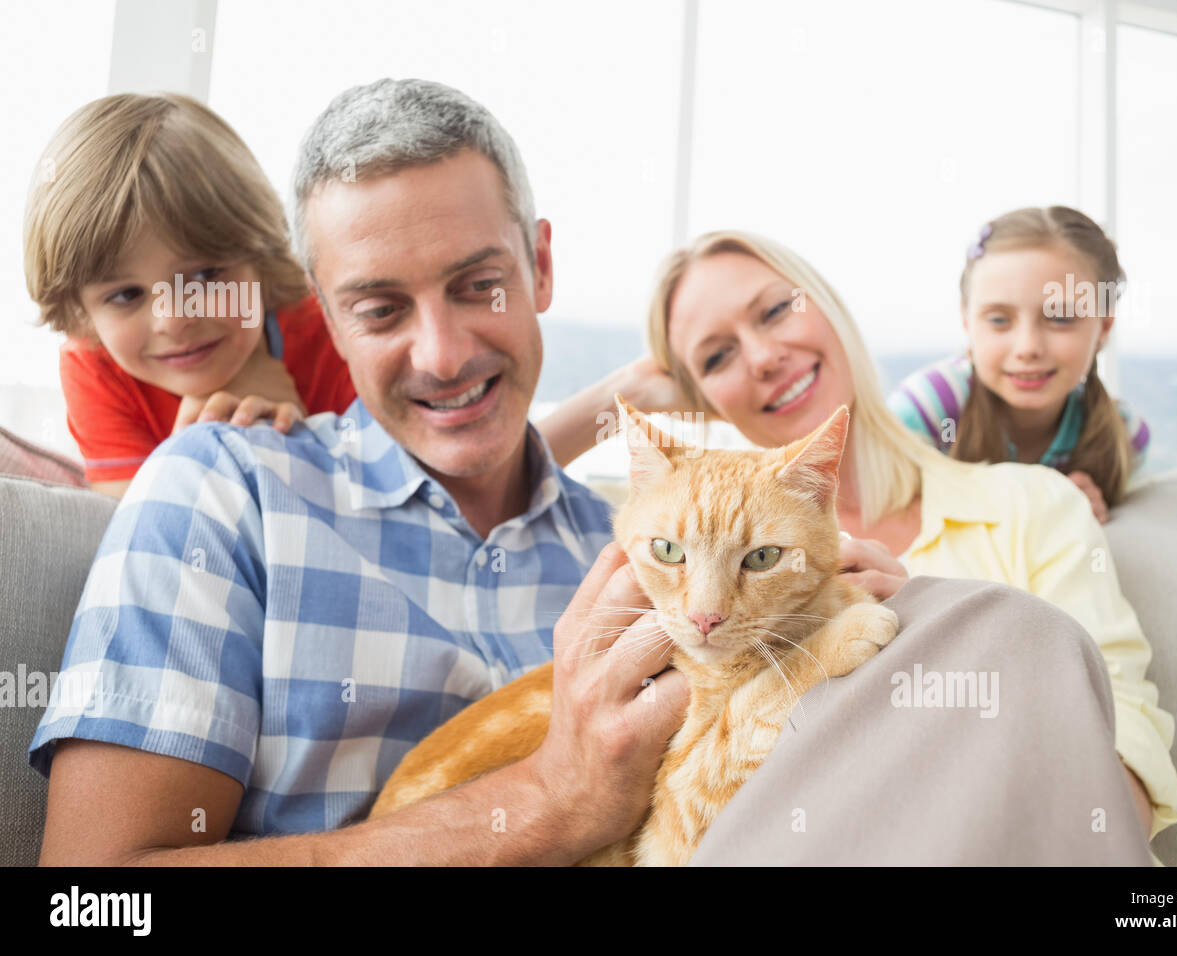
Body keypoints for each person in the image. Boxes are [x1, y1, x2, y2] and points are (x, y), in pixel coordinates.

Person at [29, 79, 689, 865]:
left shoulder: (651, 553)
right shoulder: (219, 490)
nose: (442, 355)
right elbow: (95, 903)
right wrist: (548, 800)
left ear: (540, 266)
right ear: (328, 315)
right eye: (379, 310)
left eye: (479, 285)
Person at [538, 229, 1177, 846]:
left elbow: (1123, 757)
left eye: (773, 313)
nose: (763, 358)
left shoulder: (1036, 503)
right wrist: (626, 393)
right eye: (717, 357)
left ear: (830, 305)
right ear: (702, 395)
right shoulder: (675, 554)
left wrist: (938, 634)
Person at [23, 93, 357, 498]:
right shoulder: (95, 367)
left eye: (203, 276)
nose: (173, 319)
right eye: (127, 294)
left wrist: (300, 447)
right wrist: (191, 456)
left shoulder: (334, 328)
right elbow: (129, 532)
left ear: (261, 258)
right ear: (81, 312)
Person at [887, 206, 1150, 523]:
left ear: (1103, 329)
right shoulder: (924, 411)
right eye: (999, 320)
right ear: (967, 321)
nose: (1028, 348)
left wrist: (1089, 513)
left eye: (1060, 318)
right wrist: (1033, 506)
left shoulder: (1124, 437)